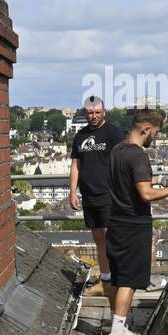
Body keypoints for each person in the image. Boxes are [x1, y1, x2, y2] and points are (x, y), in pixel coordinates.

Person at [105, 109, 168, 335]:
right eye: (154, 133)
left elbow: (131, 181)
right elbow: (145, 194)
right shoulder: (138, 156)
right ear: (146, 129)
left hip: (116, 221)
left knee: (118, 276)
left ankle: (121, 329)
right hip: (133, 224)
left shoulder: (118, 150)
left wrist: (157, 179)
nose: (154, 138)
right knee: (128, 280)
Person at [68, 96, 125, 297]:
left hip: (110, 194)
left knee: (113, 240)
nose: (94, 116)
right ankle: (106, 280)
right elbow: (76, 165)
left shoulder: (114, 133)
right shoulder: (80, 136)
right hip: (89, 196)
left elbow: (123, 160)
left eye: (97, 113)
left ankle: (120, 281)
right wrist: (72, 191)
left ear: (104, 112)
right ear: (85, 114)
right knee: (99, 241)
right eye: (90, 113)